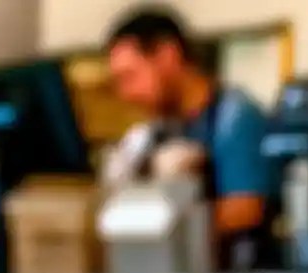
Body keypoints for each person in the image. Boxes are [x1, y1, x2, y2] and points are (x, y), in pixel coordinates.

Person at [104, 8, 275, 240]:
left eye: (130, 77)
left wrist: (162, 224)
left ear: (168, 55)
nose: (126, 94)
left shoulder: (234, 117)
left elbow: (245, 209)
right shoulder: (155, 133)